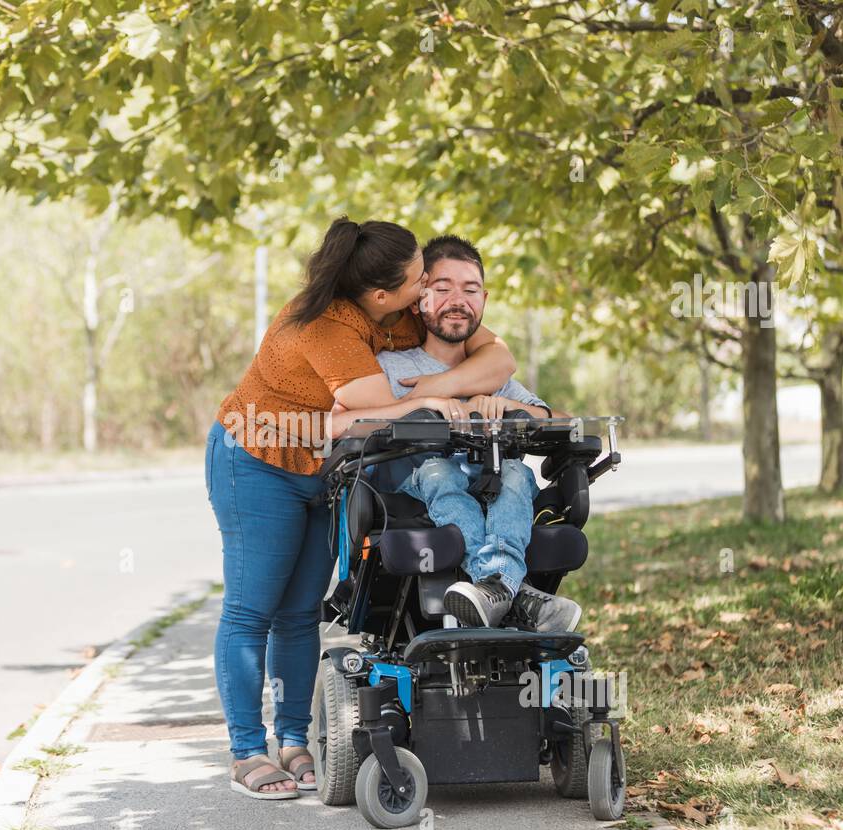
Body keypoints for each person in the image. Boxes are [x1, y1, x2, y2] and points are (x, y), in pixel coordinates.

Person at [207, 217, 517, 798]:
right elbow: (380, 407)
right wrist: (432, 396)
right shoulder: (322, 327)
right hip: (256, 460)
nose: (429, 289)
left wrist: (445, 391)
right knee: (253, 609)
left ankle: (294, 740)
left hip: (323, 464)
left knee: (301, 614)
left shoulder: (389, 314)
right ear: (383, 293)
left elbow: (498, 358)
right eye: (421, 279)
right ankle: (247, 749)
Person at [370, 234, 583, 633]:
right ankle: (514, 593)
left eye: (469, 289)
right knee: (439, 471)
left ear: (483, 300)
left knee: (518, 474)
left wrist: (507, 408)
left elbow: (563, 420)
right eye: (443, 287)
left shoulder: (492, 373)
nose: (457, 299)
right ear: (419, 298)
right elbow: (358, 422)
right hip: (416, 491)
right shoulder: (390, 368)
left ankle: (494, 588)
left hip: (492, 487)